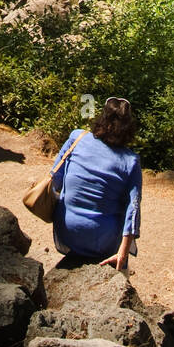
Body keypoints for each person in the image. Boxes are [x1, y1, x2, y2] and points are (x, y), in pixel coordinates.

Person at [50, 97, 142, 269]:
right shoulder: (131, 161)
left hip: (66, 230)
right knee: (122, 204)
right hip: (101, 241)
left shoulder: (76, 138)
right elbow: (133, 208)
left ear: (102, 118)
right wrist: (123, 252)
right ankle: (119, 268)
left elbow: (55, 178)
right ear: (129, 127)